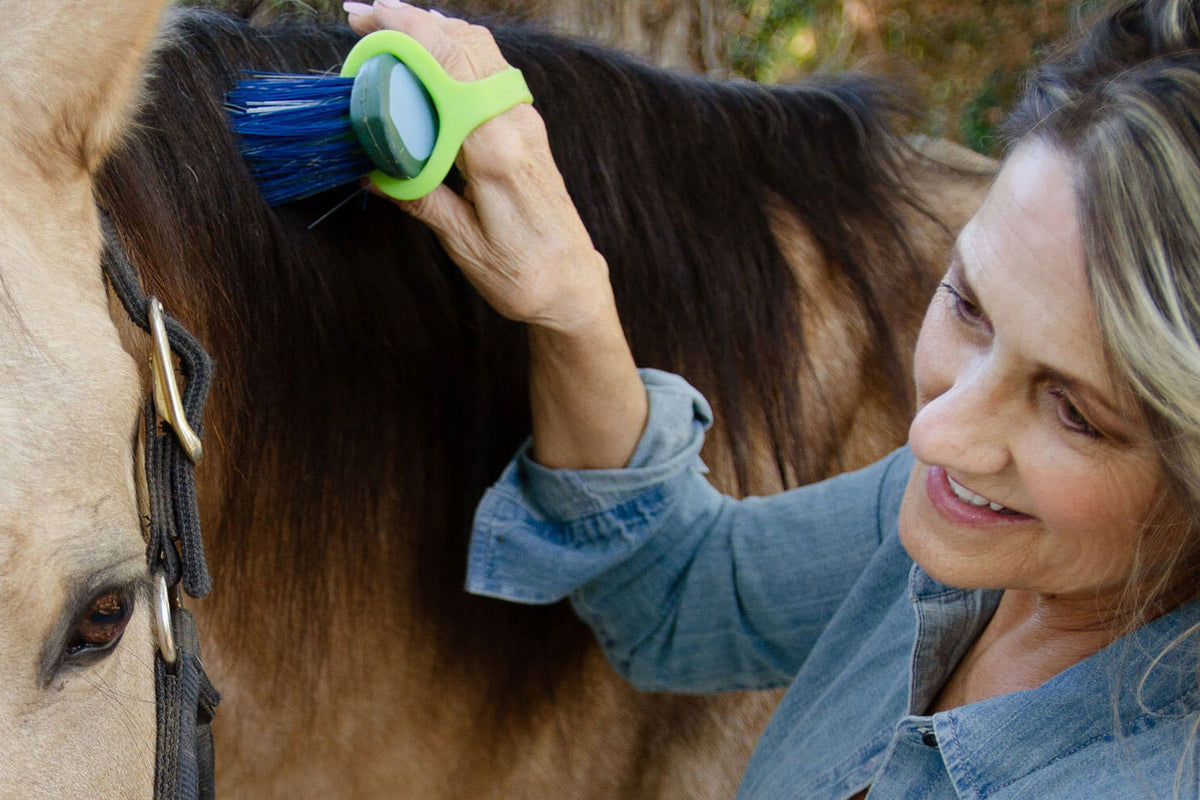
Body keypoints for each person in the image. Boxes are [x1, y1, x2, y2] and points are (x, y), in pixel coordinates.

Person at [346, 0, 1200, 796]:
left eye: (1077, 414)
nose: (937, 434)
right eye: (969, 305)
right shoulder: (958, 528)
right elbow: (680, 598)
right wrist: (570, 295)